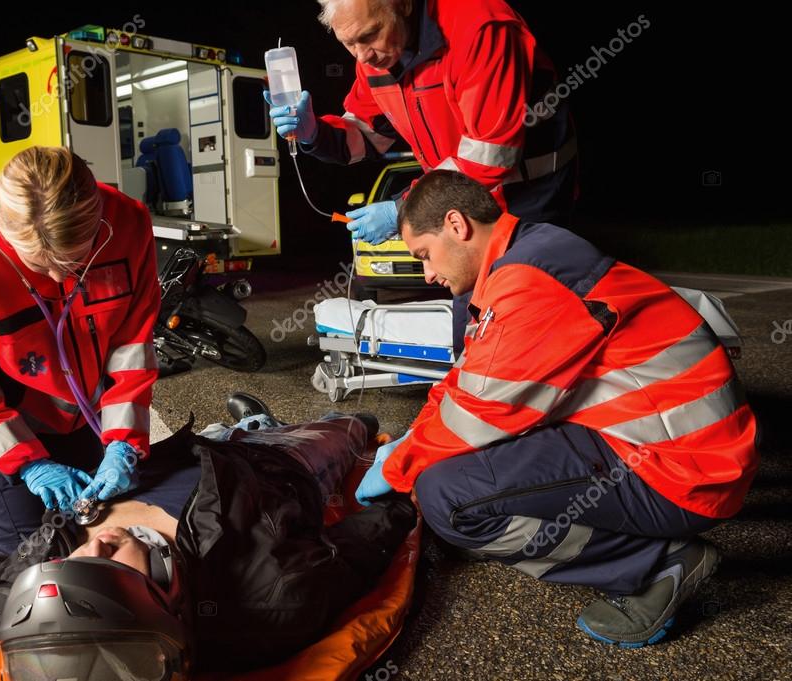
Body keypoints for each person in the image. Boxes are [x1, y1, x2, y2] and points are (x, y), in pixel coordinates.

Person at [354, 170, 758, 647]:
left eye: (424, 254)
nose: (427, 274)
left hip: (682, 473)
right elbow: (463, 383)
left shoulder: (530, 282)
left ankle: (658, 566)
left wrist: (400, 465)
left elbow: (480, 414)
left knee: (446, 495)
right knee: (454, 462)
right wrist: (411, 438)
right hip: (662, 440)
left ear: (456, 225)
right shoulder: (526, 255)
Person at [0, 398, 416, 679]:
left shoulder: (33, 602)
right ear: (166, 591)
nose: (94, 542)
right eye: (110, 562)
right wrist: (401, 493)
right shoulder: (277, 594)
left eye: (79, 558)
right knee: (349, 429)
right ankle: (257, 423)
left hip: (153, 457)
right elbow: (366, 543)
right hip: (268, 467)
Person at [0, 146, 161, 556]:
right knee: (29, 558)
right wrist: (28, 463)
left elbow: (132, 346)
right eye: (38, 264)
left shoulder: (130, 224)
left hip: (77, 414)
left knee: (86, 528)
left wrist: (123, 442)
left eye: (74, 261)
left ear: (100, 223)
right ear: (2, 233)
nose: (57, 276)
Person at [268, 0, 577, 246]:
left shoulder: (477, 27)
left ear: (403, 5)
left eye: (370, 35)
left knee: (519, 302)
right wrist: (315, 133)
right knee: (472, 305)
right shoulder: (378, 56)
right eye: (348, 43)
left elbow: (489, 157)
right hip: (460, 201)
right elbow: (368, 135)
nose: (361, 57)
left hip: (528, 202)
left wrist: (403, 209)